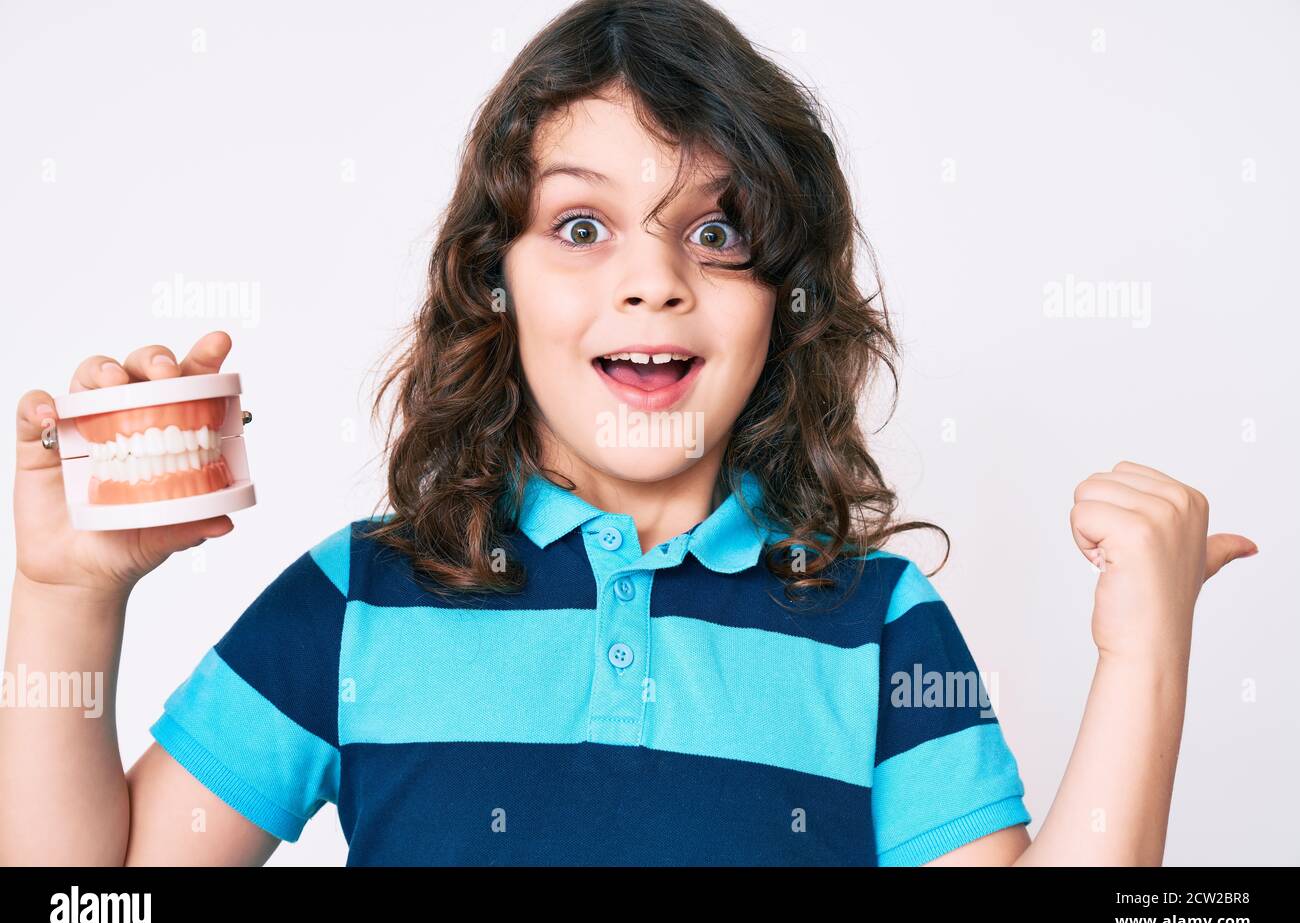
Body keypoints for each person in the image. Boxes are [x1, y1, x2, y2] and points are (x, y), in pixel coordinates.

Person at [1, 0, 1256, 866]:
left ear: (786, 301)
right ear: (496, 285)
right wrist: (65, 597)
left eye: (716, 231)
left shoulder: (877, 623)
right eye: (583, 226)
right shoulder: (358, 598)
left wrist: (1144, 652)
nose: (653, 279)